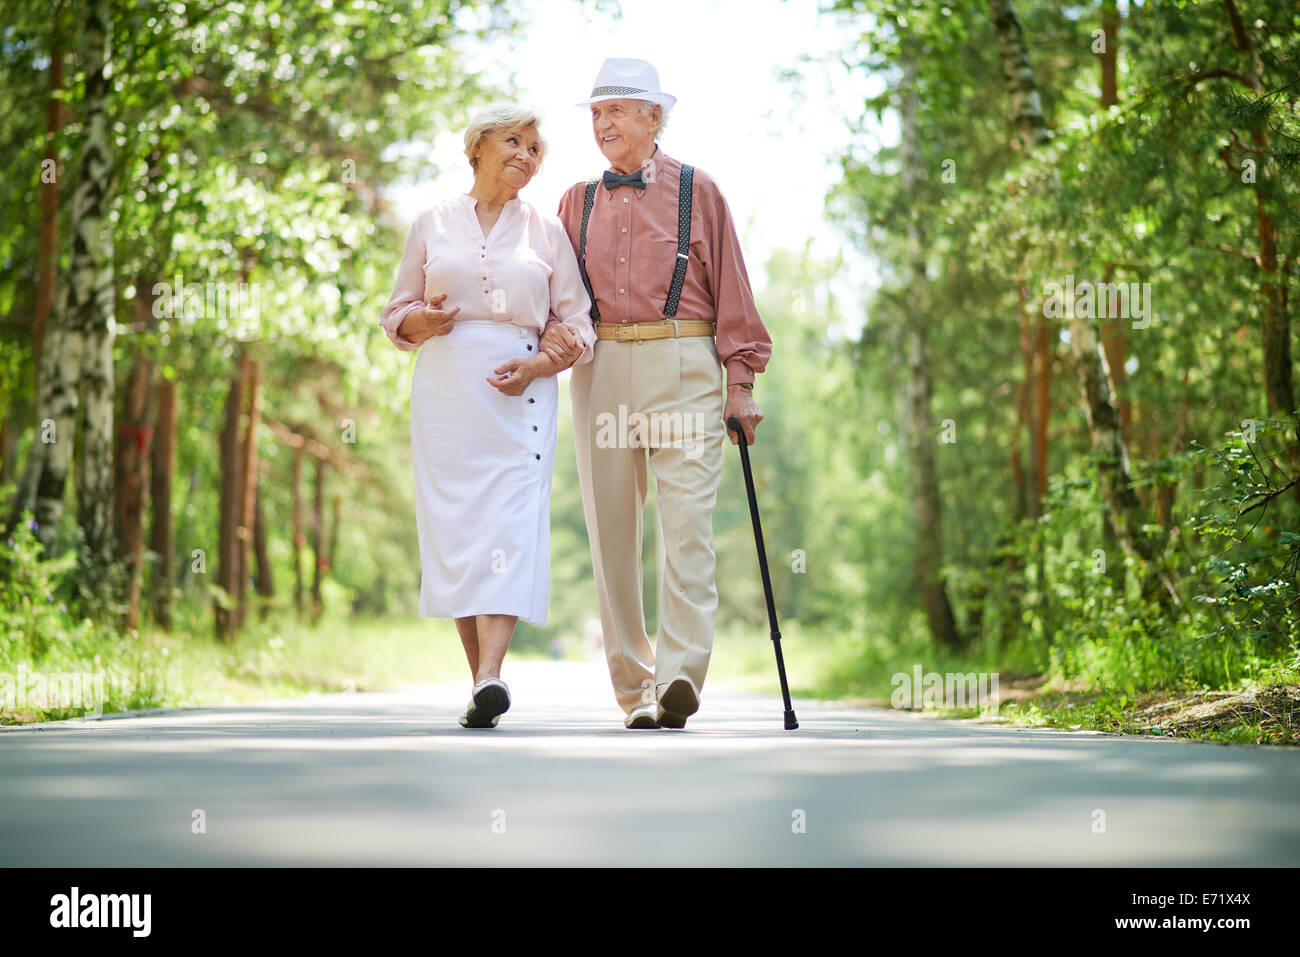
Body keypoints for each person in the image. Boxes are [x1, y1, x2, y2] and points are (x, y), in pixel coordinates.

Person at [540, 58, 772, 730]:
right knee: (612, 531)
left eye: (617, 110)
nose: (604, 123)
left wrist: (742, 382)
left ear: (653, 118)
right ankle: (634, 689)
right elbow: (558, 299)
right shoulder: (573, 201)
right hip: (603, 363)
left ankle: (679, 673)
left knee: (688, 529)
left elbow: (733, 289)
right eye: (596, 113)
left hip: (684, 360)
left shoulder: (699, 191)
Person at [380, 104, 594, 729]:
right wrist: (422, 321)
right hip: (446, 388)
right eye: (514, 142)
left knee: (507, 524)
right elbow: (396, 315)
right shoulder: (431, 222)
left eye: (535, 149)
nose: (526, 155)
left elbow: (578, 321)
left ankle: (491, 674)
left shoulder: (546, 231)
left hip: (520, 386)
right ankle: (482, 684)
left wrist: (538, 364)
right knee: (458, 528)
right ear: (477, 147)